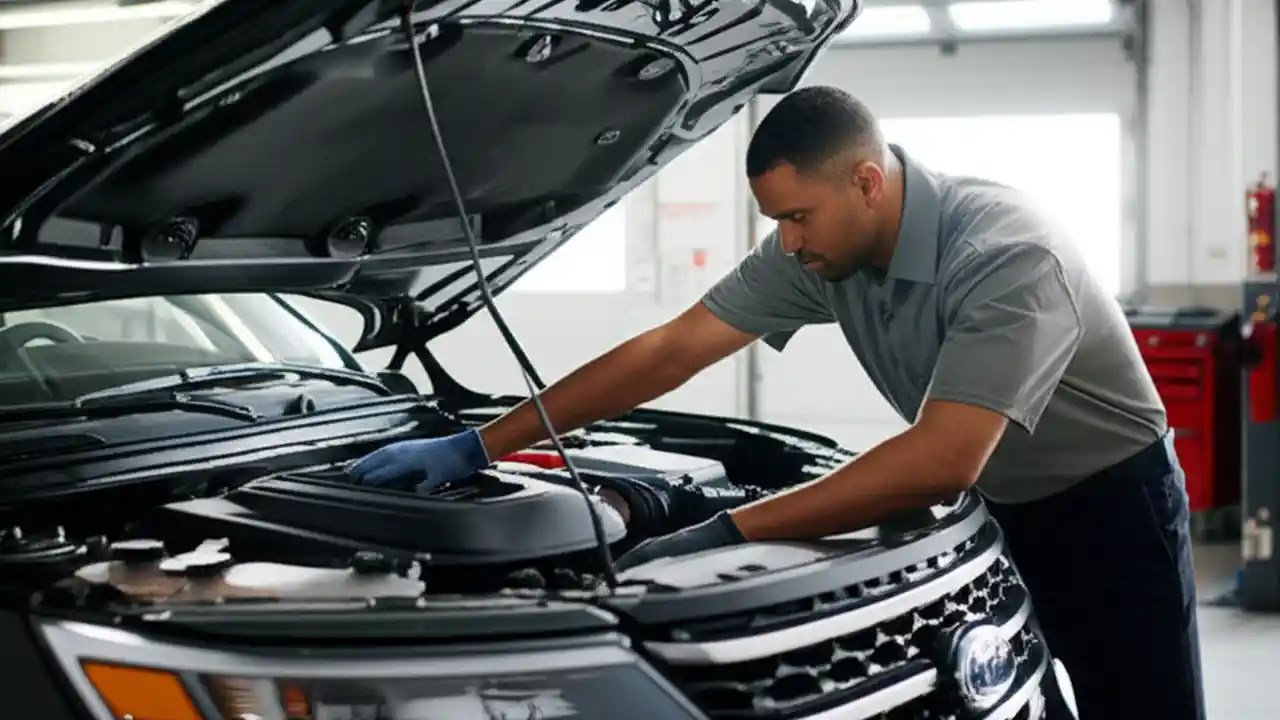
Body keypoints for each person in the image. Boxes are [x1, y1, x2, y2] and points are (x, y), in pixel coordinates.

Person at [348, 86, 1204, 720]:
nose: (788, 242)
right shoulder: (815, 251)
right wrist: (480, 446)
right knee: (1014, 700)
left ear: (868, 182)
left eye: (799, 216)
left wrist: (729, 530)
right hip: (996, 513)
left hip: (1111, 511)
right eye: (777, 220)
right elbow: (671, 349)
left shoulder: (1007, 254)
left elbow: (944, 457)